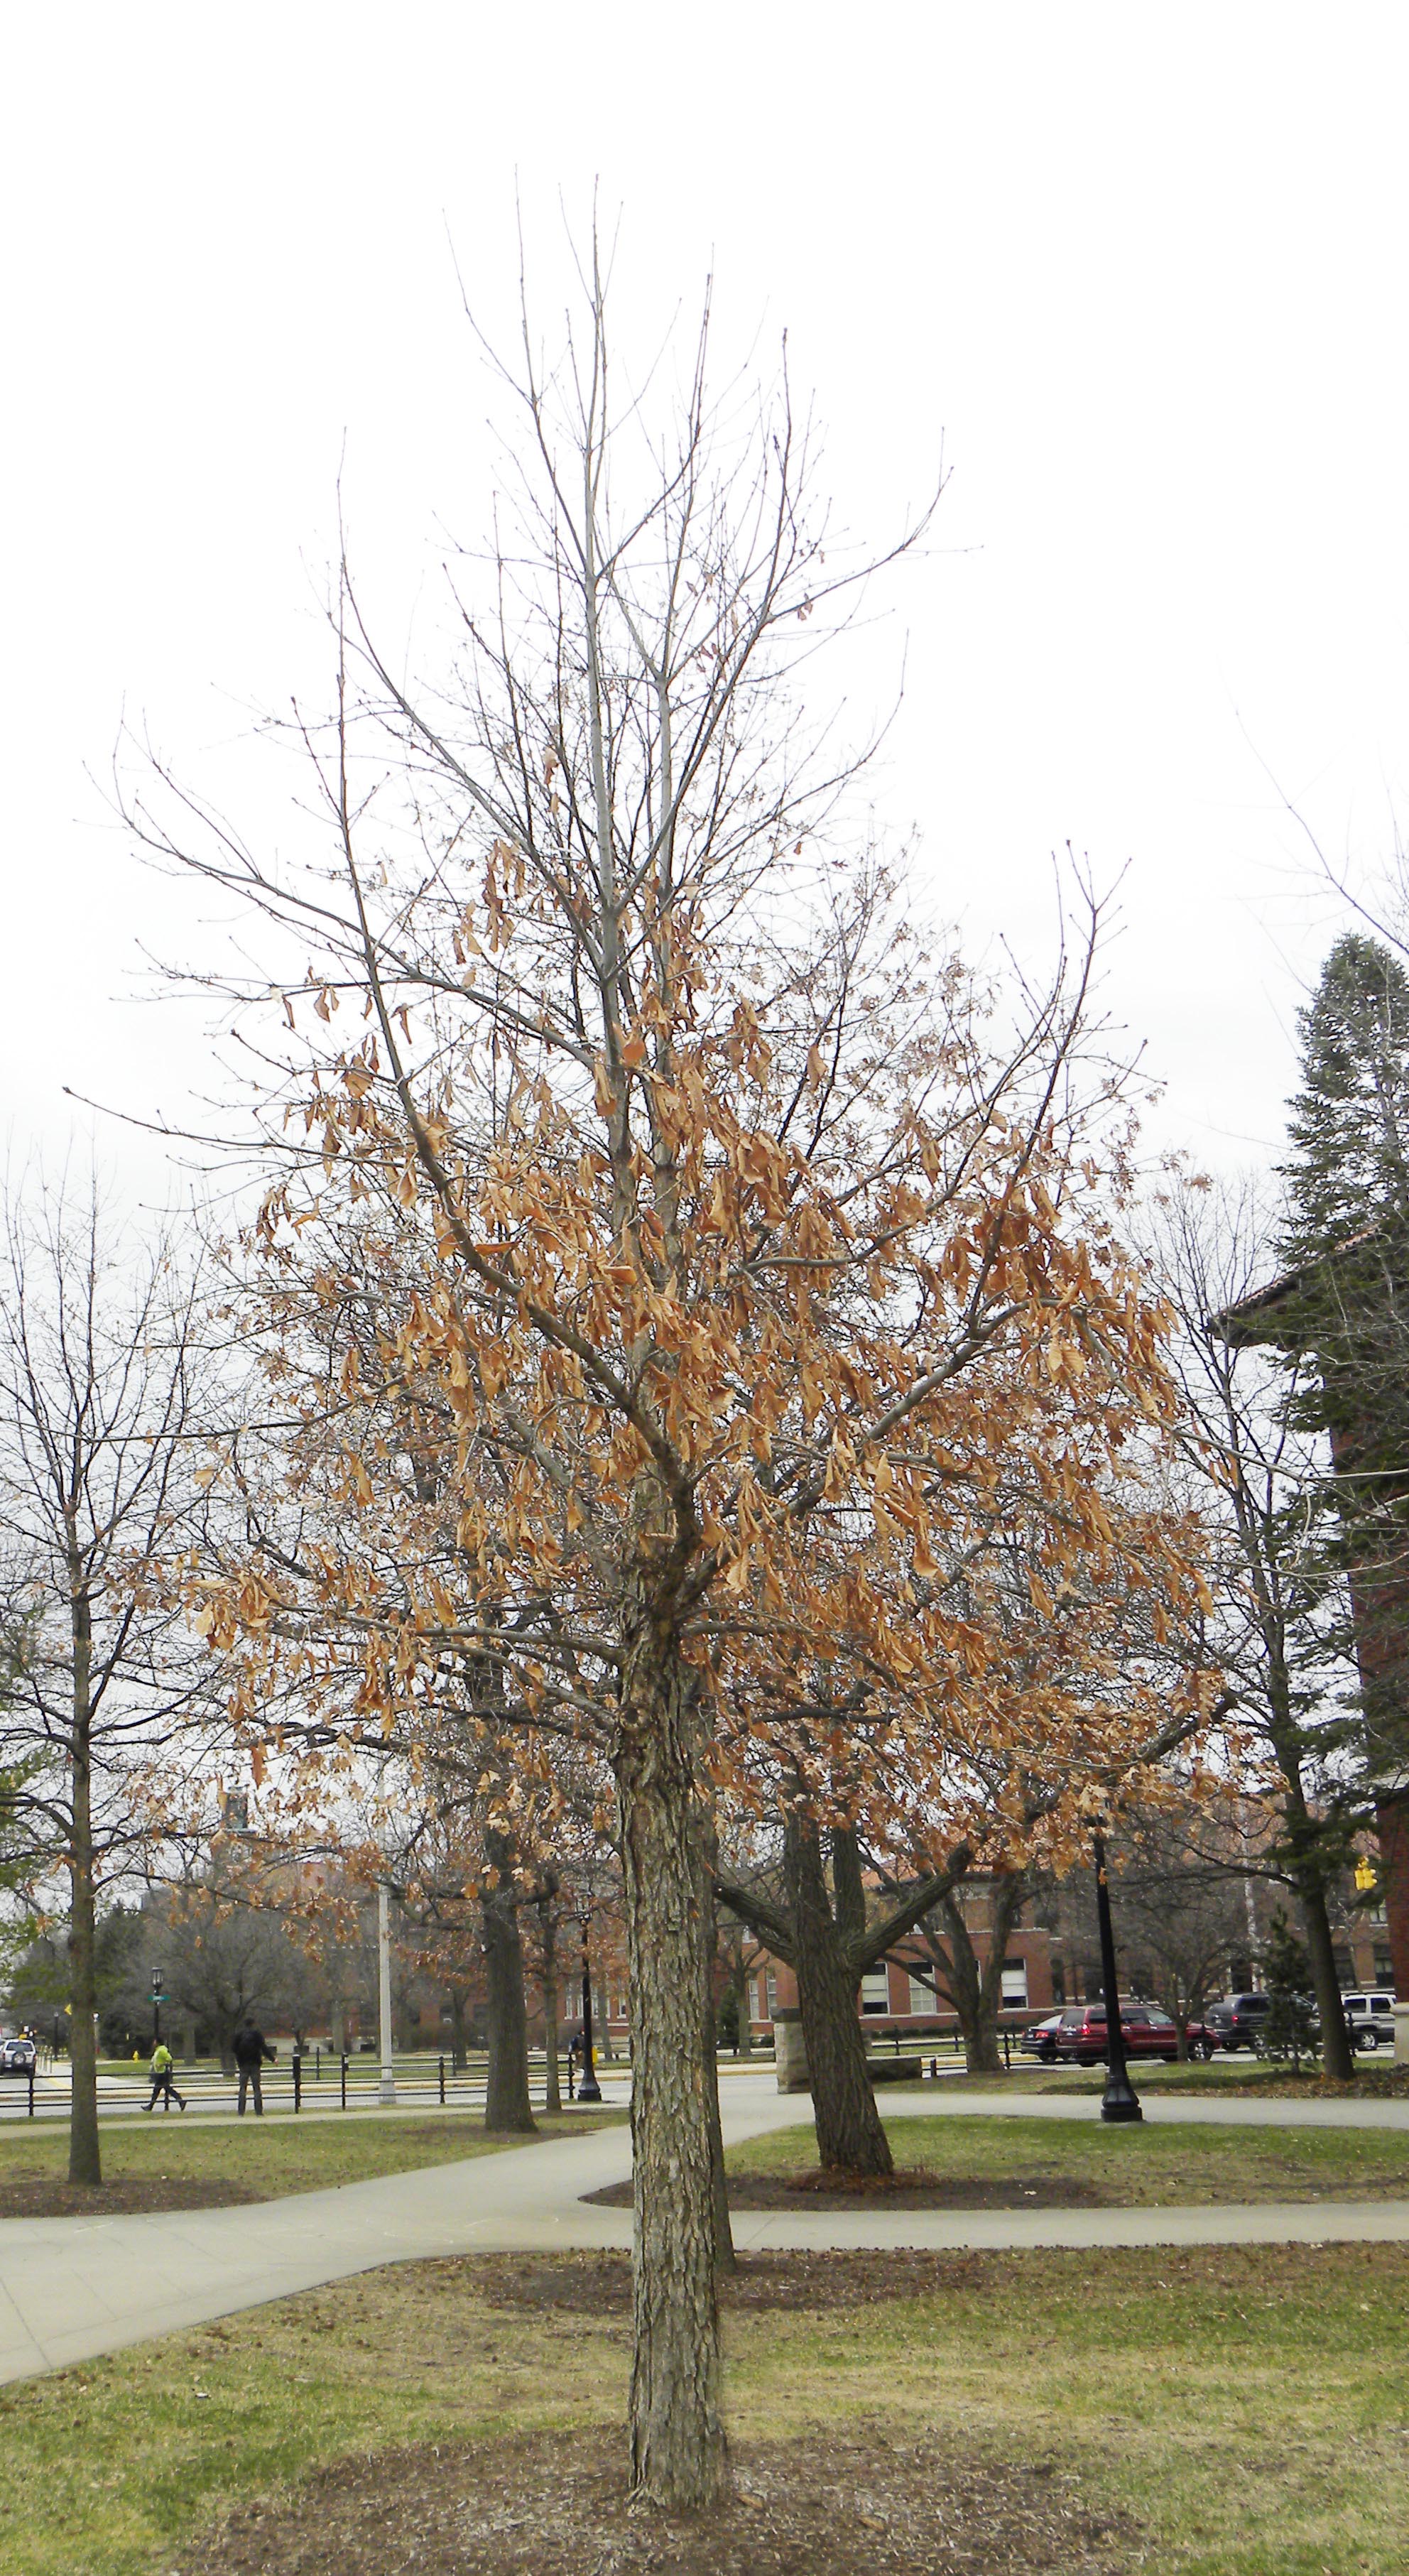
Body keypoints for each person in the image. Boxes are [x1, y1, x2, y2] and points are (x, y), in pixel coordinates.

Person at [232, 2016, 276, 2115]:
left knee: (242, 2088)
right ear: (253, 2024)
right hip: (255, 2064)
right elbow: (264, 2048)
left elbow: (233, 2048)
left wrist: (239, 2058)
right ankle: (259, 2111)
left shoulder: (239, 2035)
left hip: (243, 2064)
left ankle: (241, 2111)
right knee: (257, 2088)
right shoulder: (257, 2034)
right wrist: (273, 2059)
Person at [145, 2039, 186, 2114]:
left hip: (163, 2073)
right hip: (160, 2073)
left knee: (161, 2090)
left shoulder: (161, 2050)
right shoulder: (158, 2050)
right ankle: (180, 2101)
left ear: (158, 2042)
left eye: (154, 2042)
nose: (153, 2043)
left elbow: (169, 2058)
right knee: (162, 2089)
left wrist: (162, 2064)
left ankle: (150, 2107)